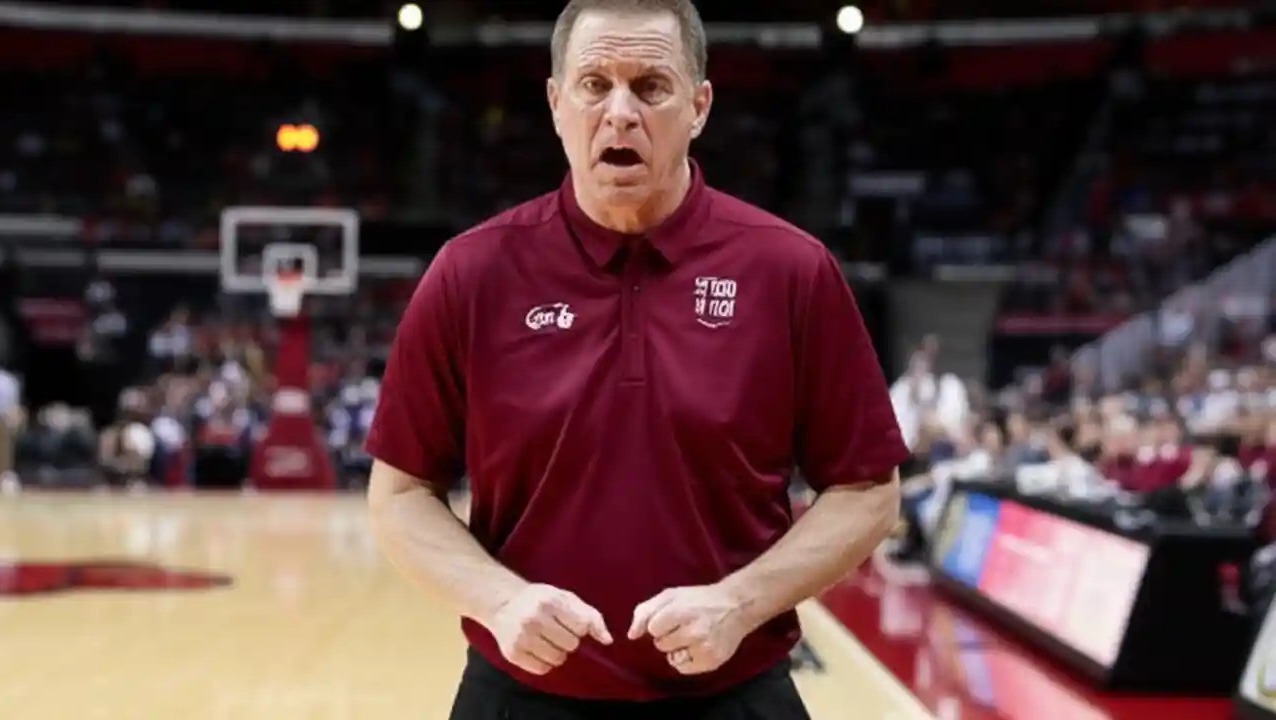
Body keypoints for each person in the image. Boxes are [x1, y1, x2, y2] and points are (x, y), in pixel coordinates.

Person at [364, 1, 907, 717]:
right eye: (594, 85)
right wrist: (499, 599)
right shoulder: (471, 273)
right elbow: (400, 494)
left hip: (735, 693)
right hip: (520, 694)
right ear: (557, 103)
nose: (620, 112)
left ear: (700, 106)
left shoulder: (791, 270)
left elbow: (869, 490)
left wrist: (739, 603)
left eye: (651, 86)